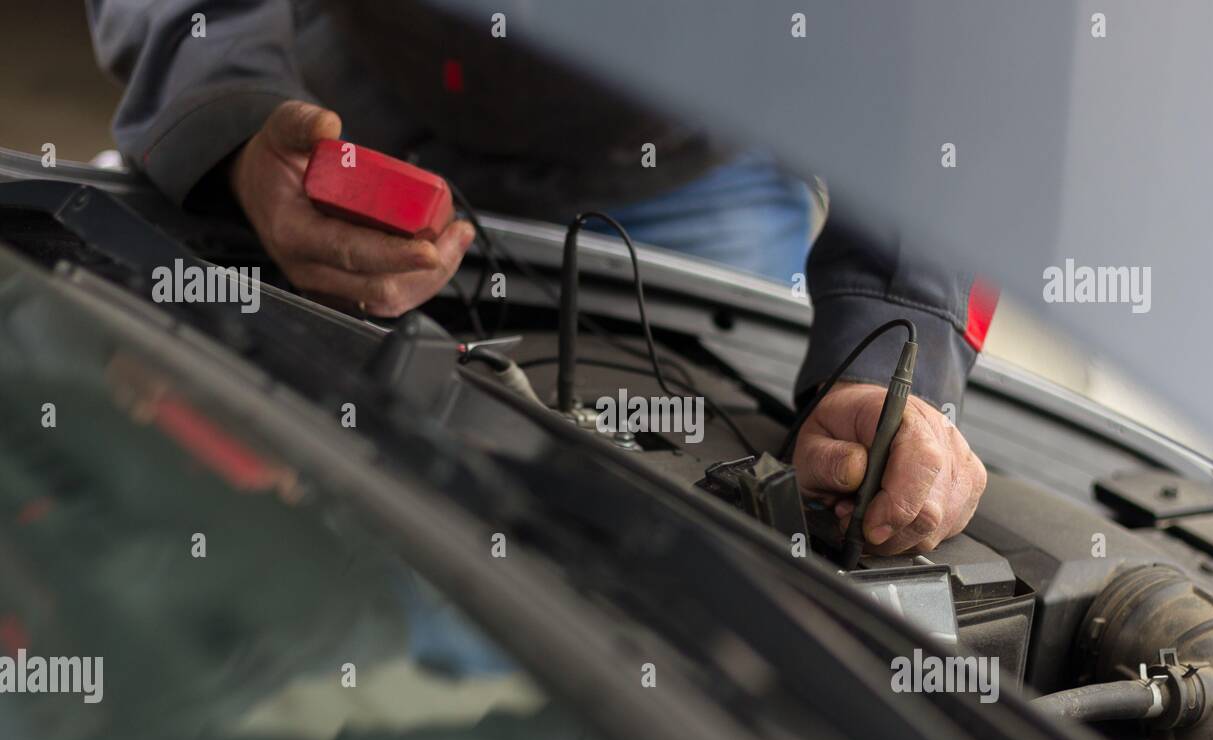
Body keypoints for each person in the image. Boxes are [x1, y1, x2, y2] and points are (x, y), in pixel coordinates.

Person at [87, 0, 987, 555]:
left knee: (661, 558)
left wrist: (901, 315)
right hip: (342, 110)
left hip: (686, 167)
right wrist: (227, 115)